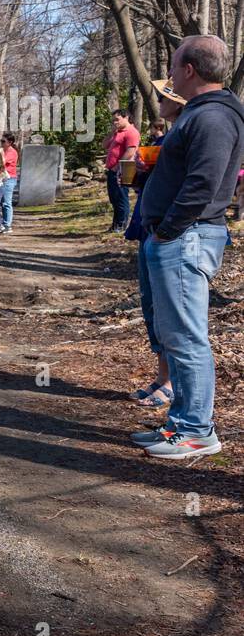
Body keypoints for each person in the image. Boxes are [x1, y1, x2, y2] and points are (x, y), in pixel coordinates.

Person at [132, 35, 244, 459]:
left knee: (186, 336)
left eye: (175, 66)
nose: (171, 74)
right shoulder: (202, 114)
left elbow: (205, 183)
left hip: (187, 236)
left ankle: (197, 430)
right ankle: (180, 423)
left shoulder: (214, 117)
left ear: (190, 70)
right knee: (174, 335)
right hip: (180, 235)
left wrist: (169, 229)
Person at [126, 78, 186, 410]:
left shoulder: (184, 135)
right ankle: (162, 375)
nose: (159, 98)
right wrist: (142, 172)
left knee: (166, 310)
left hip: (168, 233)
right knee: (152, 307)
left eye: (166, 94)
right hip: (150, 228)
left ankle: (170, 381)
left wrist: (166, 230)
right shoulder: (164, 139)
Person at [103, 109, 140, 232]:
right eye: (113, 120)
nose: (115, 122)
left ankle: (121, 225)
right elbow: (104, 145)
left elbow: (130, 151)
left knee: (121, 197)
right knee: (114, 198)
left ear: (126, 117)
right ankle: (115, 224)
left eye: (117, 119)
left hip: (123, 169)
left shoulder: (131, 132)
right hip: (112, 170)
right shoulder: (117, 132)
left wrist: (118, 166)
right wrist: (112, 132)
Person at [0, 133, 19, 234]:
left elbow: (2, 162)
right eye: (1, 141)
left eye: (3, 141)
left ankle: (7, 225)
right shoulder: (3, 151)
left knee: (7, 203)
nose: (1, 143)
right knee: (1, 203)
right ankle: (3, 223)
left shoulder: (12, 152)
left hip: (9, 179)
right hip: (2, 179)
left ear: (10, 142)